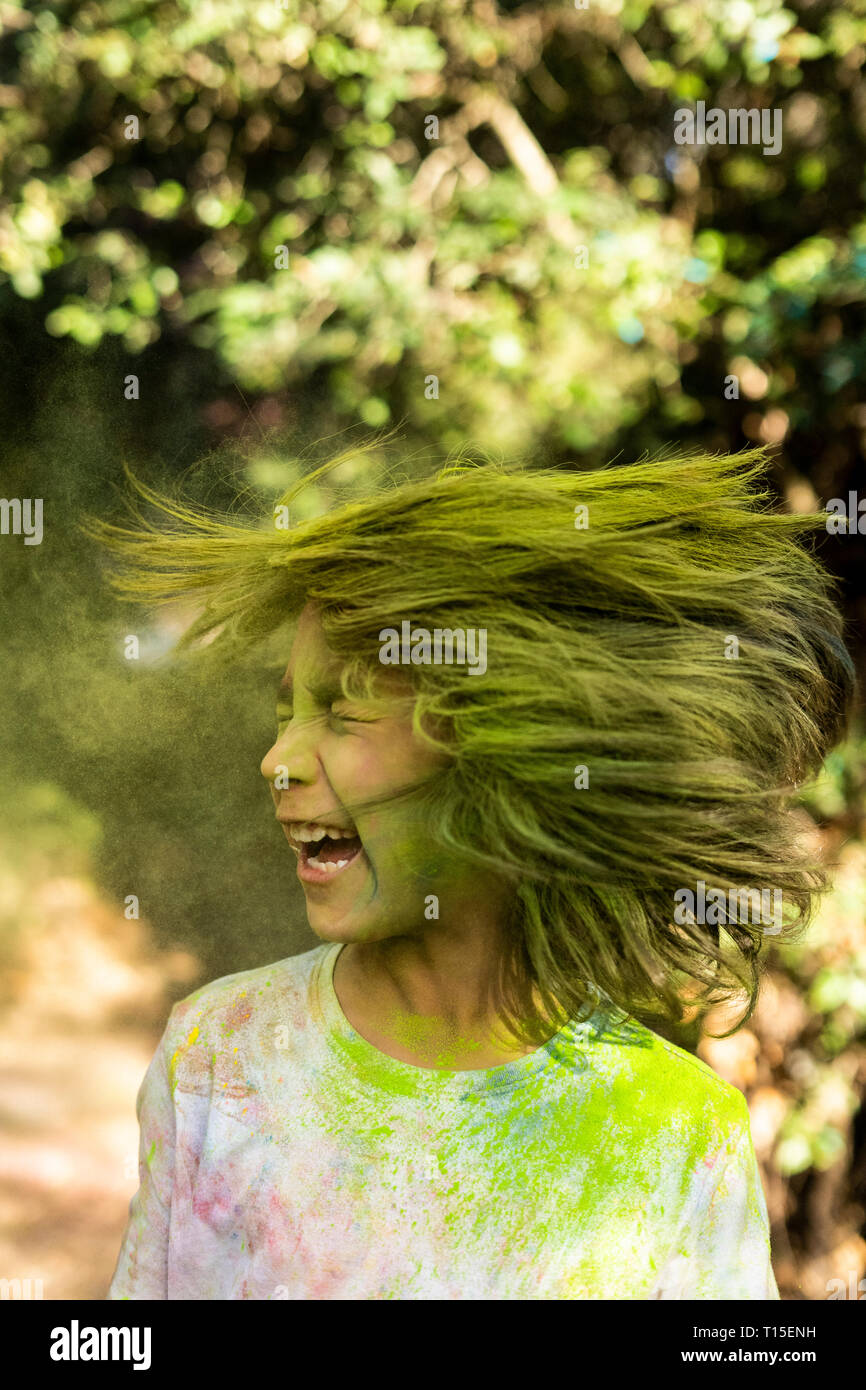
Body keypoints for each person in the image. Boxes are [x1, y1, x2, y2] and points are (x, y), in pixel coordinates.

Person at [98, 444, 853, 1299]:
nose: (278, 759)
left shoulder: (678, 1134)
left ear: (498, 748)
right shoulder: (217, 1055)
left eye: (343, 711)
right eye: (287, 711)